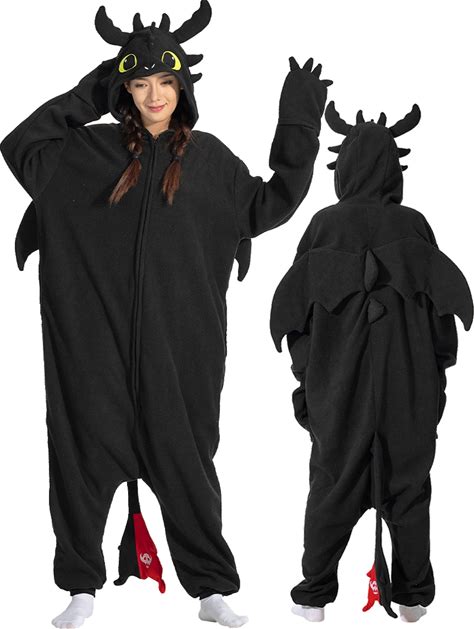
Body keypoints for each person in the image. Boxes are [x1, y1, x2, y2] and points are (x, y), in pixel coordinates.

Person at [0, 2, 332, 628]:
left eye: (165, 82)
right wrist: (94, 89)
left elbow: (274, 202)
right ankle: (81, 587)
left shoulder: (211, 163)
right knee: (80, 454)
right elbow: (20, 144)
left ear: (183, 87)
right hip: (90, 347)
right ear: (124, 90)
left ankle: (209, 589)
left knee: (187, 462)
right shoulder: (83, 153)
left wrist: (297, 127)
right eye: (139, 83)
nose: (154, 96)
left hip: (182, 350)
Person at [269, 101, 473, 622]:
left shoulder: (323, 226)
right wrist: (434, 378)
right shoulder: (413, 225)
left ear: (344, 167)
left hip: (337, 386)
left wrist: (308, 381)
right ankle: (412, 595)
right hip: (408, 386)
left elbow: (298, 320)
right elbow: (440, 319)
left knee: (332, 485)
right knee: (409, 489)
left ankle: (314, 595)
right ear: (391, 168)